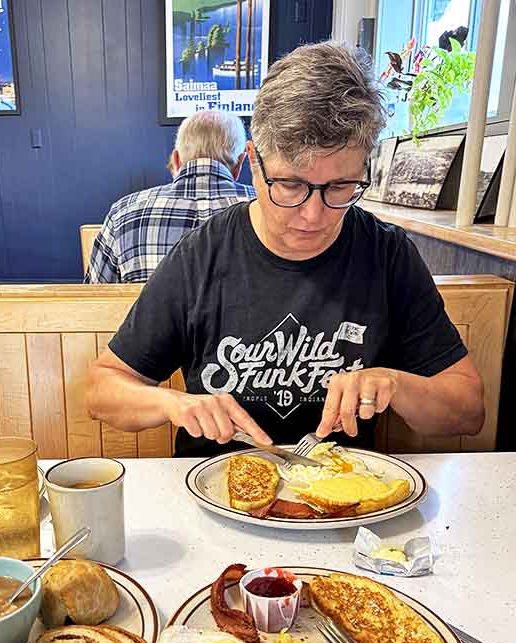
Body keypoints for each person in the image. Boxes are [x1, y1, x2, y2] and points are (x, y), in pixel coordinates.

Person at [86, 42, 484, 457]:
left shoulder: (387, 255)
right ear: (253, 163)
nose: (313, 215)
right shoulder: (202, 254)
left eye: (340, 187)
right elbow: (102, 390)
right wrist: (173, 403)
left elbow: (467, 411)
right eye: (291, 185)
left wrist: (397, 385)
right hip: (214, 492)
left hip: (343, 497)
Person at [83, 111, 255, 283]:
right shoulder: (268, 206)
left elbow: (94, 299)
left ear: (176, 159)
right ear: (240, 163)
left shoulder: (122, 214)